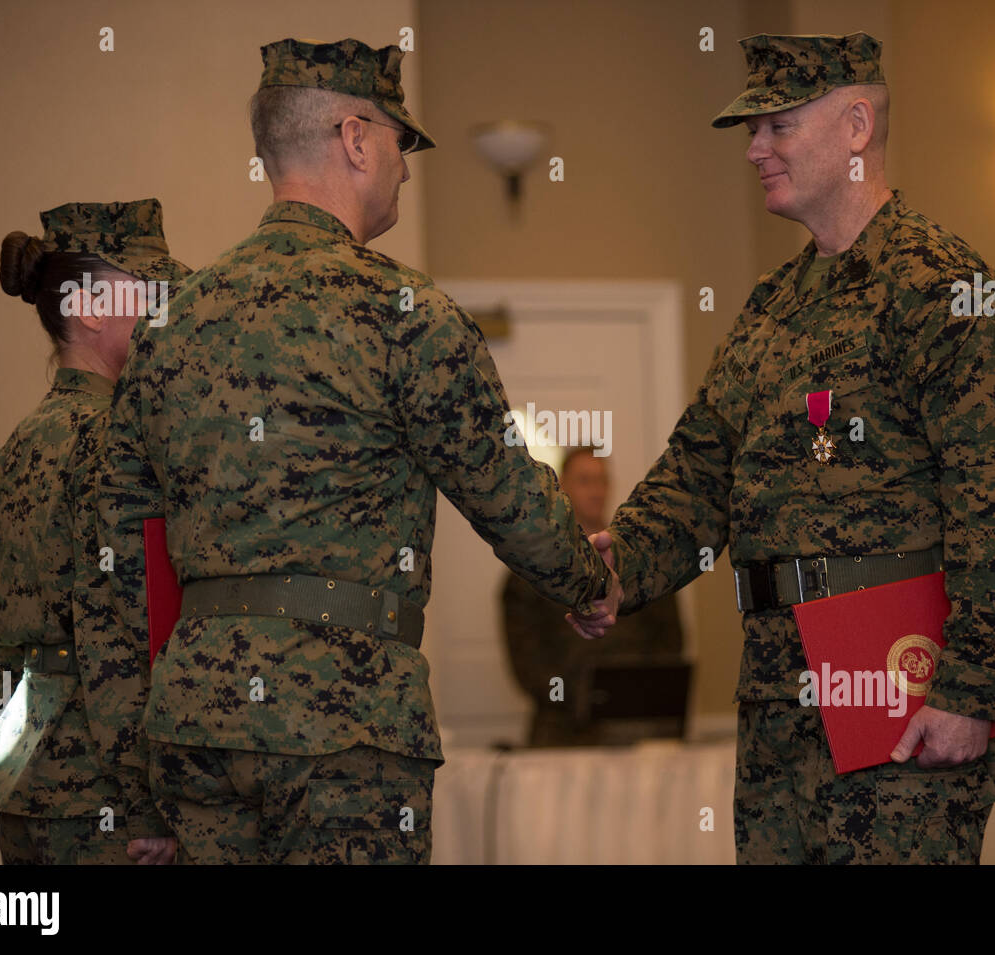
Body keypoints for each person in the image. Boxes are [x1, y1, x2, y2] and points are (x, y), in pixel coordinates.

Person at [96, 37, 619, 865]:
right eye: (401, 144)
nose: (406, 169)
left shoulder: (167, 327)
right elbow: (506, 494)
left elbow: (121, 574)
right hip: (345, 724)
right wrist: (588, 582)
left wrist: (135, 790)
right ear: (354, 139)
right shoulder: (404, 312)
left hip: (196, 728)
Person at [574, 32, 995, 864]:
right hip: (778, 705)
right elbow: (699, 475)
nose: (756, 150)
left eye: (777, 126)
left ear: (855, 126)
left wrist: (974, 688)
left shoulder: (943, 288)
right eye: (750, 132)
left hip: (901, 703)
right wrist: (620, 569)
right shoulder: (774, 308)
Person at [0, 199, 191, 864]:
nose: (162, 312)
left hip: (25, 770)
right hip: (101, 791)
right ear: (87, 307)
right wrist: (148, 801)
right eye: (149, 292)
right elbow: (118, 628)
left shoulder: (20, 443)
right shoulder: (112, 441)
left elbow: (12, 633)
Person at [502, 447, 685, 746]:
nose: (596, 491)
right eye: (585, 481)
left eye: (602, 481)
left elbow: (671, 640)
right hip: (562, 724)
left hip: (640, 722)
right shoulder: (529, 571)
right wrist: (585, 696)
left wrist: (637, 693)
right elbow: (527, 663)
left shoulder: (642, 562)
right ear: (561, 487)